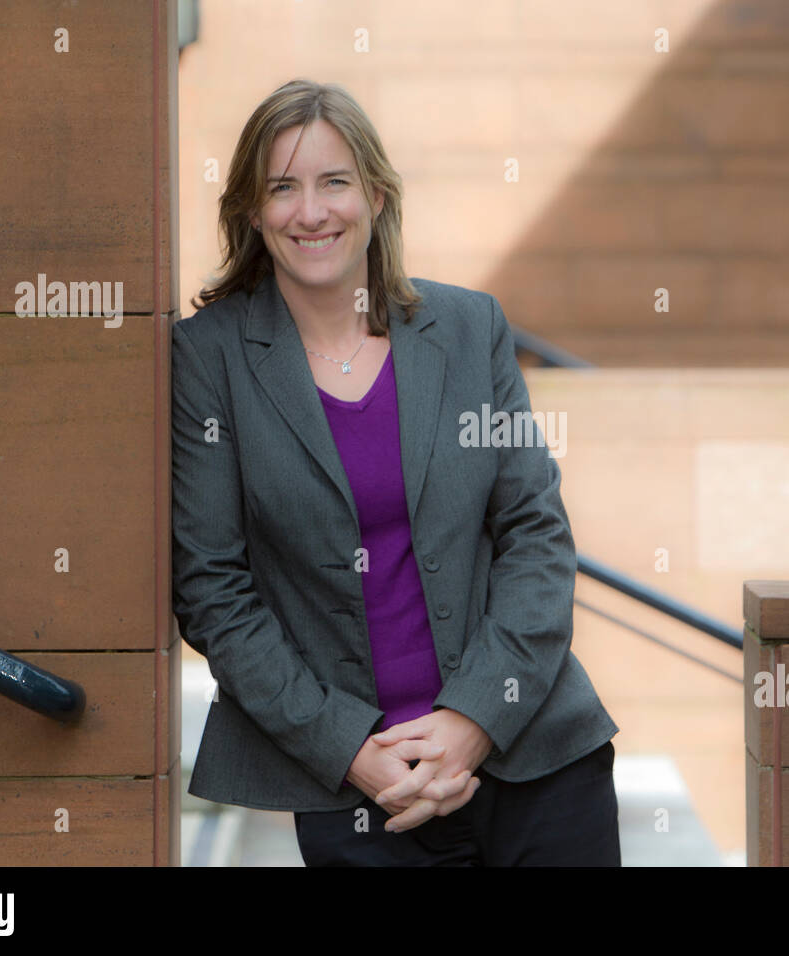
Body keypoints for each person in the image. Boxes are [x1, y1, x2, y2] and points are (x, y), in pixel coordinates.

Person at [171, 79, 621, 866]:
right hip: (357, 796)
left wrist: (473, 720)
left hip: (535, 763)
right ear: (251, 210)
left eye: (334, 182)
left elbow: (535, 536)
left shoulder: (469, 329)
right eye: (283, 188)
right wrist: (350, 750)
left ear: (376, 197)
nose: (312, 212)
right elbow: (212, 588)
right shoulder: (208, 359)